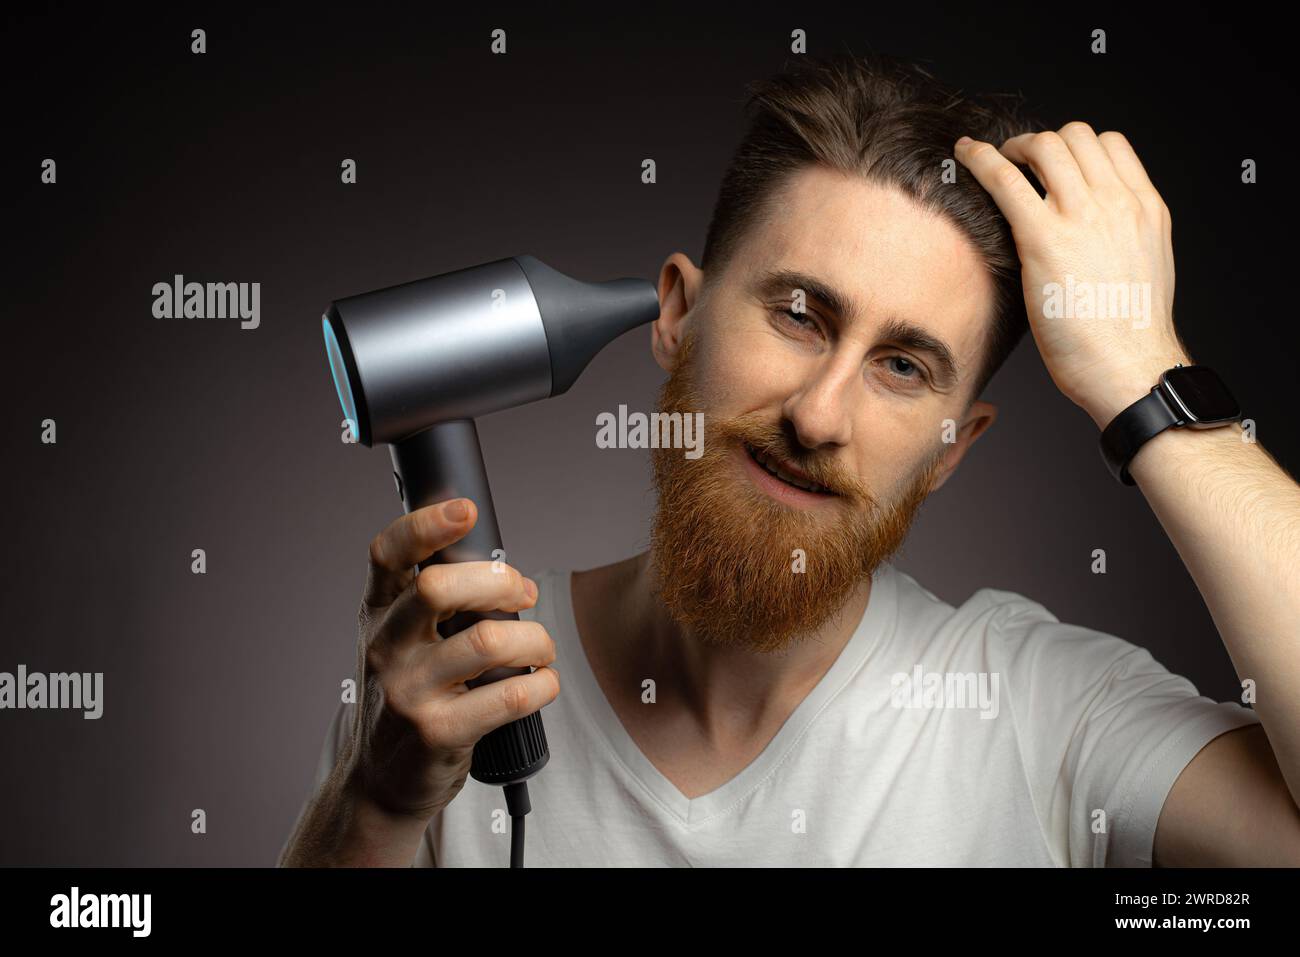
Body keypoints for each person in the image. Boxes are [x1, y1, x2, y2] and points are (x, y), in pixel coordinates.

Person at [279, 53, 1300, 867]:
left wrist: (1146, 379)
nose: (819, 416)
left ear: (952, 448)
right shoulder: (443, 696)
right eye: (799, 315)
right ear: (678, 314)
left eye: (902, 367)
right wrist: (373, 806)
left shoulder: (1048, 712)